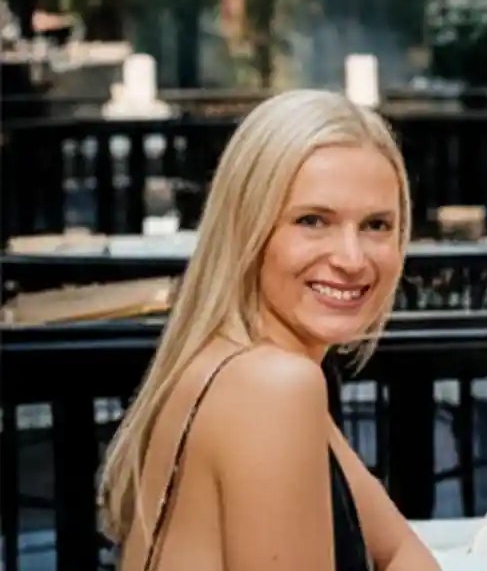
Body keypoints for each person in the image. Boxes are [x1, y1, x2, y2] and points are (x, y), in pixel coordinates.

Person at [98, 90, 442, 570]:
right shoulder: (272, 386)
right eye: (313, 221)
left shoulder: (244, 362)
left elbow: (405, 554)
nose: (352, 258)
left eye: (376, 225)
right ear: (247, 229)